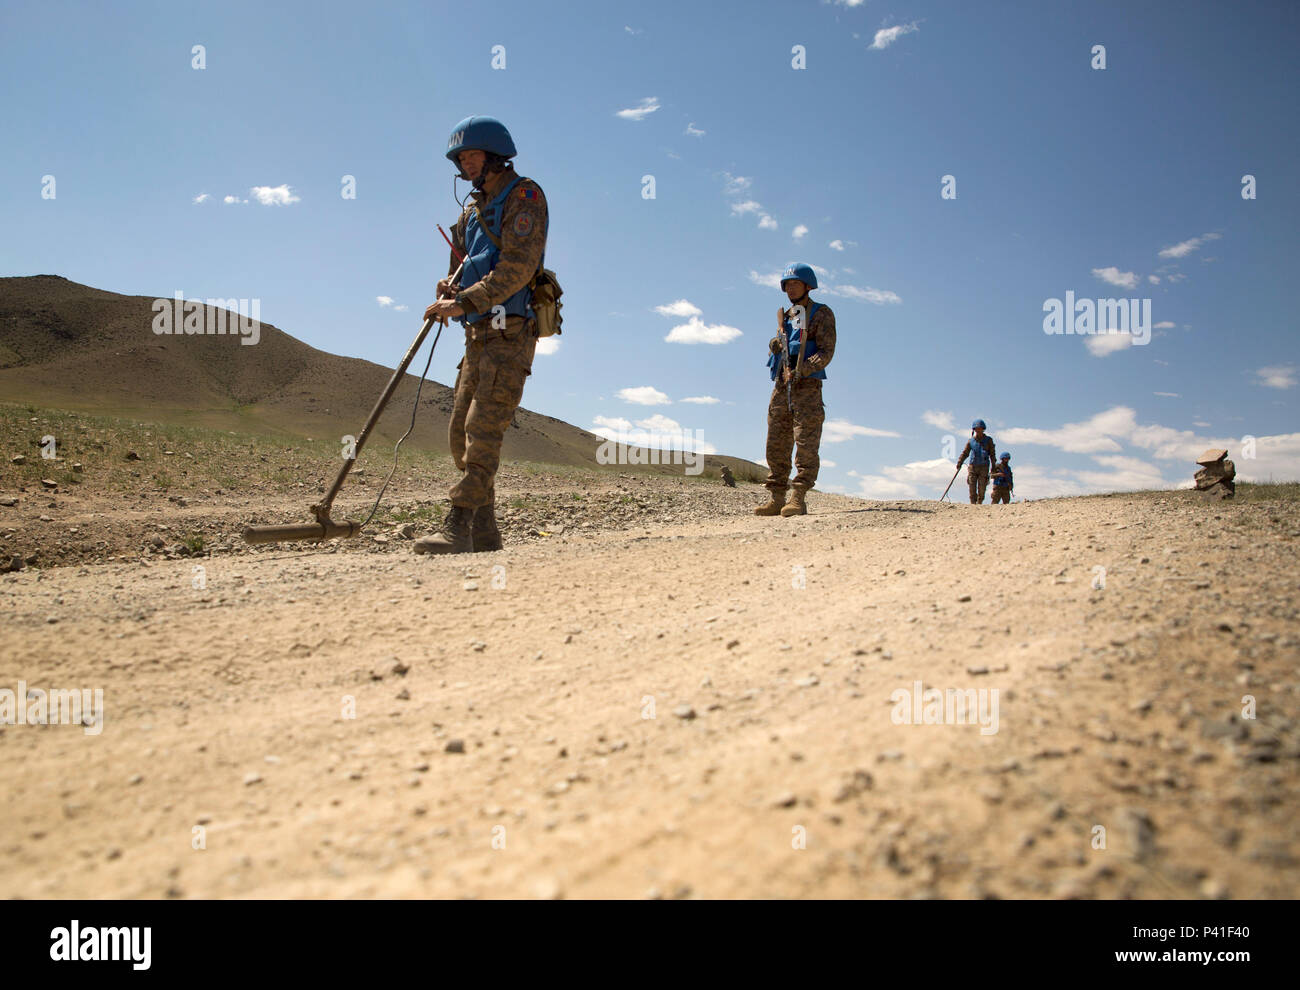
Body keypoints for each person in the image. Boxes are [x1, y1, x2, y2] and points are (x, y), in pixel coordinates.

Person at [414, 115, 549, 555]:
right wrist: (448, 288)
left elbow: (518, 267)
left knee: (483, 431)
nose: (465, 163)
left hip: (508, 333)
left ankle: (458, 525)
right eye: (460, 157)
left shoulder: (524, 196)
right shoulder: (470, 212)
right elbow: (464, 262)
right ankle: (485, 529)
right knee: (460, 434)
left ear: (494, 155)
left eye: (471, 154)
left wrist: (465, 302)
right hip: (475, 336)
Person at [755, 263, 837, 518]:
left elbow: (826, 351)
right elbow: (781, 345)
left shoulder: (821, 314)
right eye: (787, 284)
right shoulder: (788, 316)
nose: (790, 288)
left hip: (807, 386)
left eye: (795, 283)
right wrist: (774, 345)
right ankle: (777, 497)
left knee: (806, 442)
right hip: (782, 385)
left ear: (808, 286)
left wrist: (806, 369)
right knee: (776, 441)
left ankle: (798, 497)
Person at [954, 419, 997, 504]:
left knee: (982, 488)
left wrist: (993, 466)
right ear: (974, 430)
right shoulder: (971, 441)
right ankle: (972, 504)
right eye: (976, 428)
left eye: (980, 428)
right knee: (972, 487)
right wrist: (960, 462)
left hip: (984, 467)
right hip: (973, 467)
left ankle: (979, 502)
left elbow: (992, 454)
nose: (978, 430)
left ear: (983, 429)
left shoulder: (989, 440)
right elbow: (965, 452)